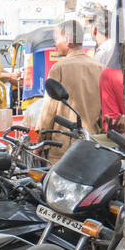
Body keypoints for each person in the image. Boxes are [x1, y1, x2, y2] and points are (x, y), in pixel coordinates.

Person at [37, 20, 104, 157]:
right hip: (94, 143)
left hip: (64, 146)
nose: (54, 44)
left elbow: (49, 111)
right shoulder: (99, 68)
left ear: (67, 40)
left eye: (56, 39)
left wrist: (40, 141)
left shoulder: (59, 68)